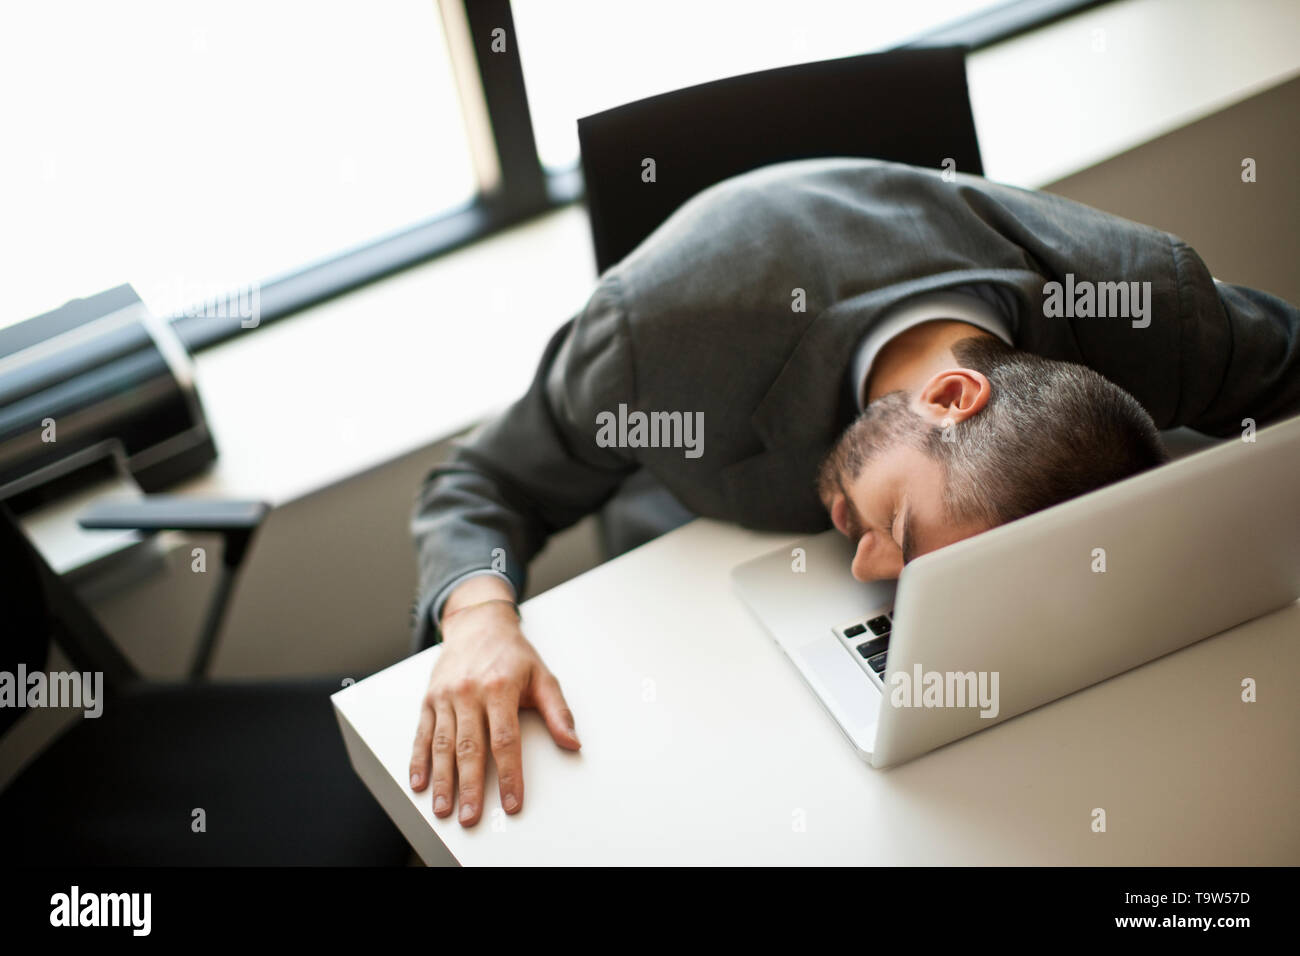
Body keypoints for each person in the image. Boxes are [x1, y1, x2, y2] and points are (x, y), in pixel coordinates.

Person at [406, 157, 1300, 826]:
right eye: (900, 531)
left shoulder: (1167, 317)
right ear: (951, 397)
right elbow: (483, 481)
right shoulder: (652, 340)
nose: (868, 566)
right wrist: (480, 618)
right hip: (698, 577)